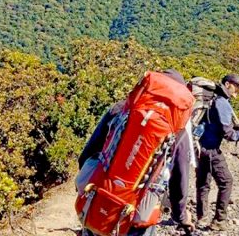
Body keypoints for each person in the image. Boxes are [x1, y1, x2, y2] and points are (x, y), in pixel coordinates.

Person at [77, 69, 194, 236]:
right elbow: (179, 178)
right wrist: (180, 216)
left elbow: (88, 152)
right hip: (136, 213)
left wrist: (87, 185)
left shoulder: (121, 109)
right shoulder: (178, 131)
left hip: (99, 198)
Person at [196, 73, 239, 231]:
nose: (238, 90)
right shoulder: (222, 102)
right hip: (211, 149)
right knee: (226, 182)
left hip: (198, 146)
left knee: (203, 183)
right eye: (236, 86)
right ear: (227, 84)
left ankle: (201, 217)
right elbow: (228, 133)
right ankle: (219, 220)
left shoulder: (212, 99)